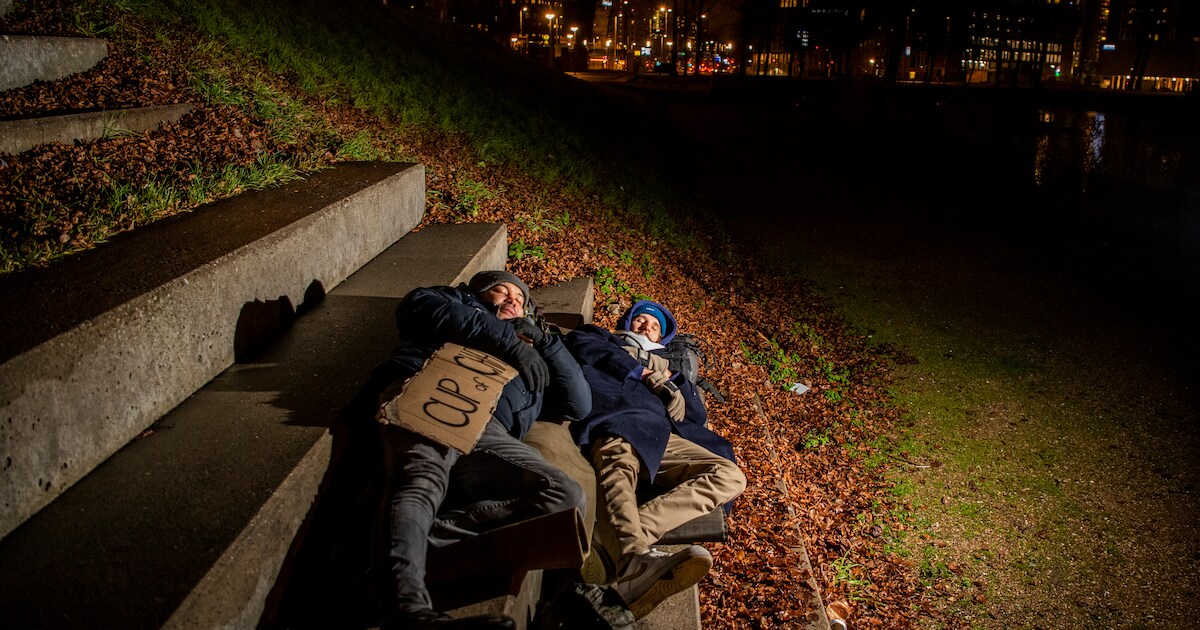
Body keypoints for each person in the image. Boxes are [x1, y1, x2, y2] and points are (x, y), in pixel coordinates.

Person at [358, 270, 592, 630]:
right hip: (435, 392)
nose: (513, 298)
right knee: (423, 477)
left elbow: (578, 403)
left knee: (564, 498)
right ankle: (406, 610)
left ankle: (389, 557)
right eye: (503, 290)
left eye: (521, 297)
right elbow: (418, 306)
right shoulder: (458, 302)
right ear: (480, 293)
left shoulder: (535, 350)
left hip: (490, 429)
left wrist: (544, 342)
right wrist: (508, 342)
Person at [563, 299, 746, 619]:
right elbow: (584, 347)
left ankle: (615, 545)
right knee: (618, 471)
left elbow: (697, 414)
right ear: (627, 322)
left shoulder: (670, 366)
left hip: (663, 437)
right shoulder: (603, 338)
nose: (647, 327)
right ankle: (633, 558)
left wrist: (673, 380)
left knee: (731, 475)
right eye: (641, 320)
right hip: (616, 419)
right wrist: (642, 371)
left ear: (663, 338)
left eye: (655, 326)